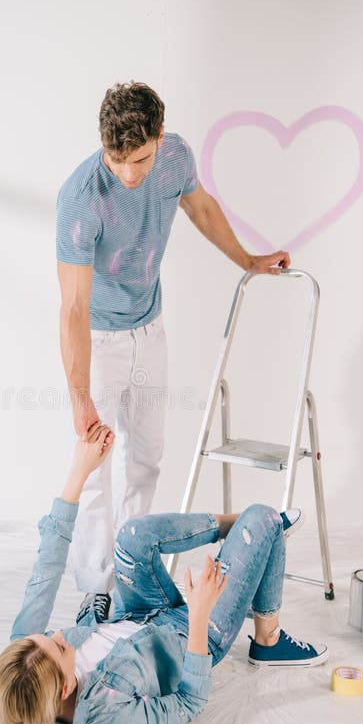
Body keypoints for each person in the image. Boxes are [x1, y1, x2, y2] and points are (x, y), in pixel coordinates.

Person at [56, 81, 292, 621]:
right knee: (95, 466)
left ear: (160, 140)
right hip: (99, 339)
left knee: (147, 457)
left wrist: (247, 260)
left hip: (150, 328)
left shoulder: (176, 157)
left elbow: (201, 207)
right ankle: (96, 587)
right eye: (118, 160)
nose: (130, 173)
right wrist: (79, 397)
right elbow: (72, 307)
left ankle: (132, 571)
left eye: (139, 159)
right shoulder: (82, 196)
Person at [0, 423, 328, 724]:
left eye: (49, 636)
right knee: (263, 517)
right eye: (60, 648)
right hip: (193, 634)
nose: (59, 635)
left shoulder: (26, 657)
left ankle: (231, 527)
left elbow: (46, 567)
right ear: (64, 690)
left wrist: (79, 472)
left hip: (135, 611)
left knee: (132, 537)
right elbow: (190, 701)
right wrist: (197, 615)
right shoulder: (112, 719)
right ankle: (269, 639)